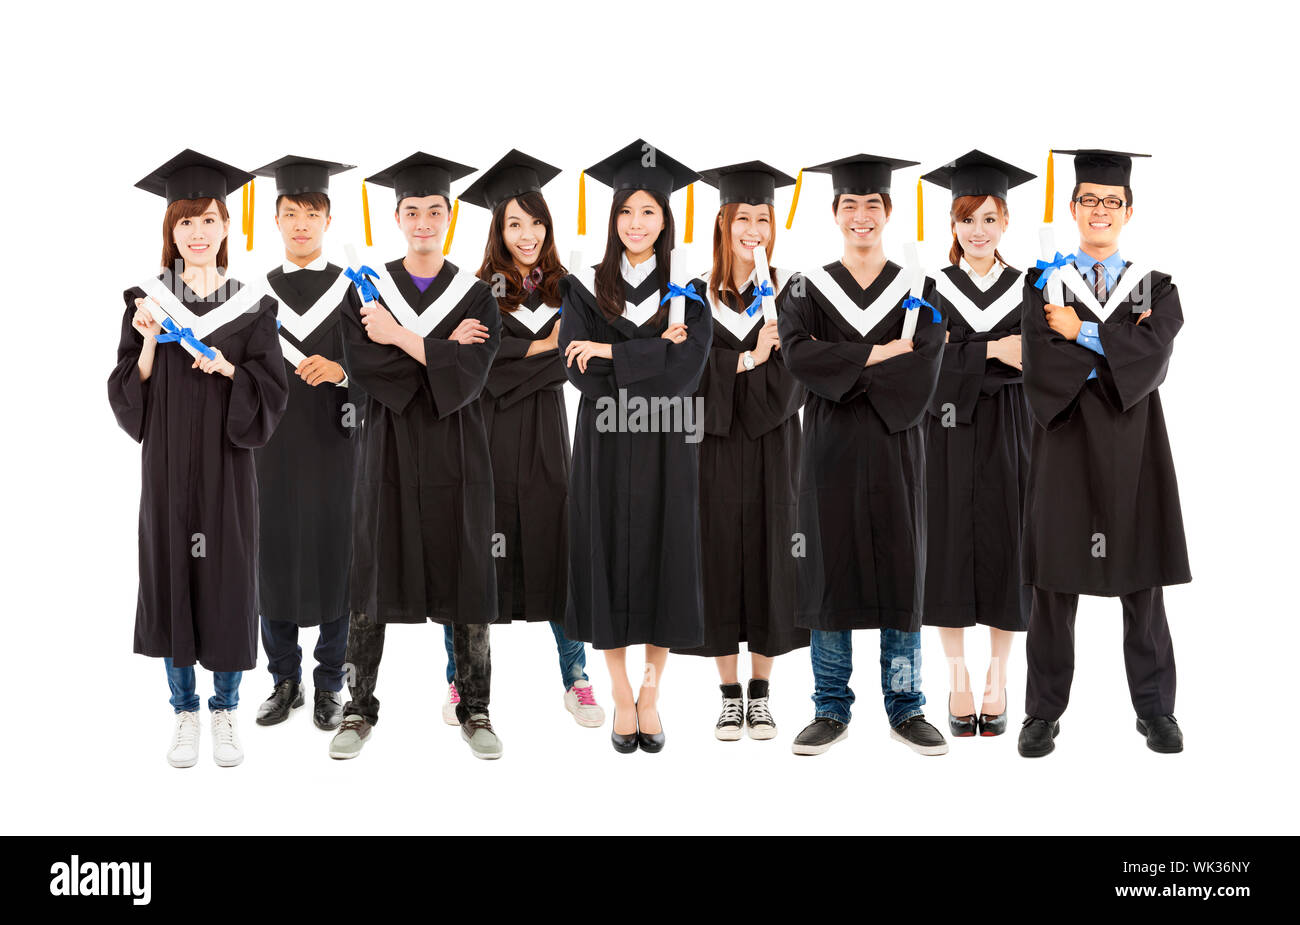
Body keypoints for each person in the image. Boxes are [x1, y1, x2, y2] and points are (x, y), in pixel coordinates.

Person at [108, 149, 289, 767]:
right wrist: (151, 344)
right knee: (171, 574)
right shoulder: (148, 302)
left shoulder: (253, 307)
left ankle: (225, 710)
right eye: (185, 222)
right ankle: (183, 711)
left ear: (226, 227)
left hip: (226, 467)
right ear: (171, 231)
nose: (197, 232)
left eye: (209, 220)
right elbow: (126, 394)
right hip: (164, 467)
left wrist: (228, 366)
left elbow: (274, 390)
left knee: (228, 577)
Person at [327, 151, 505, 760]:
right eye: (412, 211)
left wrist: (403, 337)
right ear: (396, 218)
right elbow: (367, 370)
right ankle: (358, 706)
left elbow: (472, 376)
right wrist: (439, 351)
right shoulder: (366, 292)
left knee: (469, 578)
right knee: (372, 576)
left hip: (459, 455)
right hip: (388, 453)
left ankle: (475, 707)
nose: (424, 221)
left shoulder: (478, 295)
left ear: (450, 216)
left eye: (435, 210)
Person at [1017, 149, 1190, 757]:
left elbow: (1155, 359)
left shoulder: (1155, 285)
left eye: (1111, 201)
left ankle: (1155, 709)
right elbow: (1040, 362)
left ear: (1129, 211)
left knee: (1141, 580)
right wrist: (1118, 347)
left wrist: (1082, 334)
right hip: (1064, 440)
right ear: (1072, 207)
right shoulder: (1042, 283)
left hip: (1134, 448)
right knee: (1052, 584)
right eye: (1089, 199)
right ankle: (1042, 713)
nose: (1099, 210)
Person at [777, 153, 950, 757]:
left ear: (888, 211)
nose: (860, 215)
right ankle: (829, 707)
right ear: (834, 212)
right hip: (828, 452)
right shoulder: (804, 286)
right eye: (849, 204)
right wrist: (878, 355)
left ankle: (906, 707)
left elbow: (924, 369)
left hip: (898, 449)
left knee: (900, 574)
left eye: (871, 204)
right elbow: (797, 356)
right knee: (830, 573)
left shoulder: (920, 288)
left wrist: (843, 361)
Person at [437, 149, 604, 730]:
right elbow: (473, 368)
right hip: (482, 439)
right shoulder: (475, 289)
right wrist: (541, 349)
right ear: (497, 230)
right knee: (474, 558)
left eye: (535, 222)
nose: (527, 234)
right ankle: (463, 683)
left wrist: (514, 357)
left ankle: (576, 678)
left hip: (546, 442)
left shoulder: (572, 290)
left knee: (558, 551)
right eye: (514, 223)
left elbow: (577, 368)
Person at [559, 139, 711, 754]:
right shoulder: (586, 284)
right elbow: (575, 369)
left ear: (666, 219)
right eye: (626, 212)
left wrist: (613, 353)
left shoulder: (688, 286)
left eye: (649, 211)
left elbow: (689, 369)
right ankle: (621, 695)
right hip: (603, 441)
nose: (637, 223)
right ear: (613, 218)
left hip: (668, 439)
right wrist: (648, 352)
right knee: (606, 563)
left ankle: (652, 693)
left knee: (664, 561)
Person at [670, 161, 808, 741]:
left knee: (775, 553)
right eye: (742, 218)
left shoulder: (793, 292)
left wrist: (758, 374)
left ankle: (763, 692)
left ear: (773, 227)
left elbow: (798, 379)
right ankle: (729, 694)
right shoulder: (691, 297)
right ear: (723, 223)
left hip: (774, 444)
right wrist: (751, 359)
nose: (753, 229)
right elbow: (683, 378)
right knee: (718, 553)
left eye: (763, 218)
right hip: (713, 446)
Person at [918, 150, 1036, 737]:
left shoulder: (1033, 286)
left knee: (1009, 542)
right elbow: (922, 365)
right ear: (953, 224)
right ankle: (958, 673)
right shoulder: (929, 288)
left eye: (990, 218)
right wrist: (991, 351)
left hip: (1014, 427)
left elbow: (1039, 361)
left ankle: (998, 672)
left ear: (1006, 223)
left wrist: (967, 359)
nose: (979, 230)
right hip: (945, 428)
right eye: (969, 219)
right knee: (947, 544)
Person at [249, 155, 357, 732]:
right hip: (270, 448)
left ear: (328, 219)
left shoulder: (355, 289)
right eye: (290, 213)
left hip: (336, 445)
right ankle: (283, 680)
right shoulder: (254, 295)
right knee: (274, 556)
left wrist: (342, 372)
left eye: (311, 213)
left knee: (336, 556)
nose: (300, 224)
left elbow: (385, 367)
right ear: (275, 220)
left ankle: (330, 683)